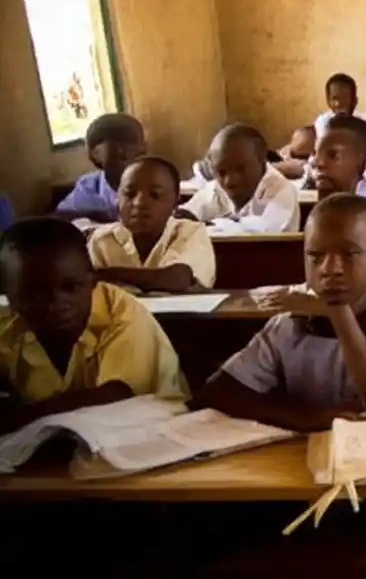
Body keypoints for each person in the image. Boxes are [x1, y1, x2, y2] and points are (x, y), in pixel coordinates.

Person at [193, 194, 366, 432]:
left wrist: (337, 312)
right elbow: (219, 392)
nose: (329, 269)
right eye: (315, 256)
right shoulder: (289, 323)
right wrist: (307, 418)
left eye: (348, 253)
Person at [0, 218, 188, 432]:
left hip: (147, 436)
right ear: (7, 294)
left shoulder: (120, 312)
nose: (55, 304)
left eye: (71, 287)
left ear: (93, 281)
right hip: (51, 446)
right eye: (31, 295)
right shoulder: (7, 325)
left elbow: (115, 397)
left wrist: (19, 417)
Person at [88, 157, 216, 292]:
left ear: (175, 198)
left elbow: (178, 279)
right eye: (129, 194)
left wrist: (105, 274)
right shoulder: (102, 239)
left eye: (155, 194)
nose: (139, 203)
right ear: (117, 197)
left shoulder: (191, 232)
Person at [180, 124, 300, 233]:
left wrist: (210, 225)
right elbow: (184, 217)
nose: (230, 181)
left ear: (262, 159)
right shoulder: (215, 190)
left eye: (240, 170)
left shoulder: (282, 191)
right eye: (221, 173)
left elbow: (267, 233)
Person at [55, 113, 147, 223]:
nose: (123, 151)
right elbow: (61, 217)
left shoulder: (155, 180)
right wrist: (95, 216)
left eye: (131, 141)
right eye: (114, 146)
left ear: (143, 148)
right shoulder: (89, 185)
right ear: (94, 154)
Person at [308, 114, 366, 204]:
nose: (318, 163)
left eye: (333, 155)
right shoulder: (301, 200)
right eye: (315, 153)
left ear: (359, 161)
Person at [314, 73, 366, 157]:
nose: (338, 104)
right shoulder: (323, 121)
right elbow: (323, 150)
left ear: (354, 101)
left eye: (344, 98)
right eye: (334, 99)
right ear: (328, 101)